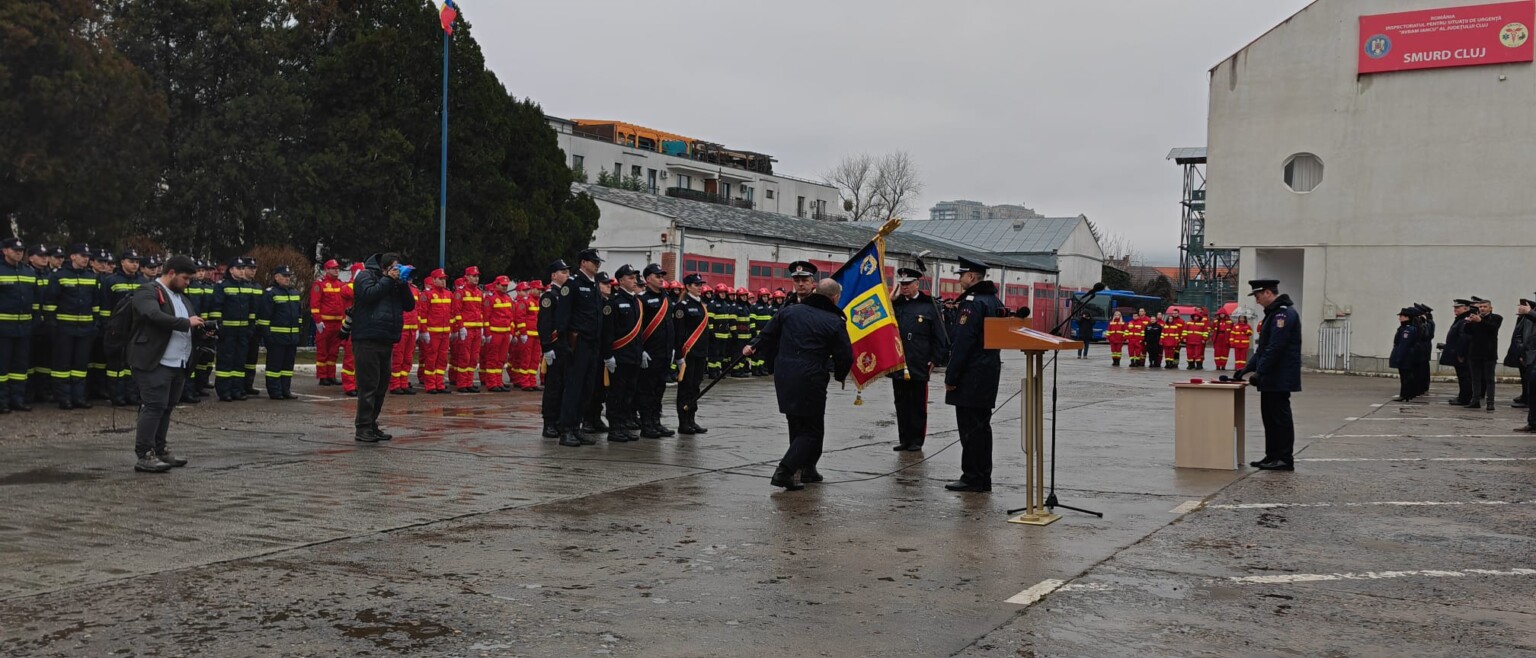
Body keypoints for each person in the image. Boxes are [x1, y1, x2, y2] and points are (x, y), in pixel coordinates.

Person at [744, 278, 853, 491]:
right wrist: (840, 375)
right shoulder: (834, 321)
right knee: (812, 430)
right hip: (811, 377)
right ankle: (785, 471)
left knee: (797, 423)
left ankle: (806, 468)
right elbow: (845, 355)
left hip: (784, 375)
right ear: (835, 298)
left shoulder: (790, 311)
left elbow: (767, 334)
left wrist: (753, 347)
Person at [126, 255, 205, 473]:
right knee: (154, 406)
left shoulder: (181, 297)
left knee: (167, 407)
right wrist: (186, 323)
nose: (188, 283)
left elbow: (189, 322)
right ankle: (144, 454)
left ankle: (160, 449)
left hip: (178, 362)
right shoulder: (148, 291)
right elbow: (153, 315)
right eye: (185, 278)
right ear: (171, 273)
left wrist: (201, 329)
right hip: (154, 361)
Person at [943, 256, 1005, 492]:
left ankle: (972, 477)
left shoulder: (973, 303)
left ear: (971, 276)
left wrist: (951, 377)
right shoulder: (994, 300)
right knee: (981, 428)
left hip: (971, 375)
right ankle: (981, 476)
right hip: (988, 372)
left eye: (961, 275)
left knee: (971, 430)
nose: (959, 280)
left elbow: (962, 343)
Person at [348, 253, 415, 442]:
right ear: (384, 268)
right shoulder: (365, 276)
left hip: (386, 339)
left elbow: (409, 305)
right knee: (368, 386)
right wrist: (388, 279)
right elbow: (369, 295)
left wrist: (402, 284)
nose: (397, 270)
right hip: (367, 338)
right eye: (394, 267)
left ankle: (372, 424)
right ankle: (362, 427)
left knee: (380, 386)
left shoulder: (394, 283)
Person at [1236, 279, 1302, 471]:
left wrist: (1260, 371)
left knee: (1279, 418)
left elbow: (1276, 347)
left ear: (1267, 292)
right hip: (1271, 376)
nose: (1256, 300)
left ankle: (1284, 458)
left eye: (1257, 296)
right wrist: (1247, 369)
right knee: (1269, 418)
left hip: (1280, 375)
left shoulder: (1283, 314)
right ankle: (1272, 455)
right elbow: (1262, 348)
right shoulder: (1272, 313)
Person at [889, 267, 948, 452]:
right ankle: (904, 439)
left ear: (917, 284)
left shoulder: (929, 306)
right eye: (902, 284)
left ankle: (916, 440)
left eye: (908, 284)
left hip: (919, 361)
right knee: (901, 403)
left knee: (917, 404)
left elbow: (939, 336)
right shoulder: (896, 305)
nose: (904, 287)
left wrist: (935, 359)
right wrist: (890, 302)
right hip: (900, 361)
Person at [553, 249, 605, 447]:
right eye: (593, 261)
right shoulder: (573, 284)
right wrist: (564, 344)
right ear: (583, 262)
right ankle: (566, 429)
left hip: (593, 343)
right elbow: (563, 316)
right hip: (578, 343)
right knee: (574, 387)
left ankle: (577, 426)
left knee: (587, 388)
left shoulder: (594, 284)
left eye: (598, 262)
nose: (597, 265)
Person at [46, 243, 100, 410]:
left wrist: (95, 323)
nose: (86, 259)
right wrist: (52, 325)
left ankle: (79, 397)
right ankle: (64, 398)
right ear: (73, 256)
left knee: (80, 365)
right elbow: (50, 303)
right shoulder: (59, 275)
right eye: (83, 256)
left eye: (87, 256)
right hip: (64, 328)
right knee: (62, 365)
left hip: (85, 328)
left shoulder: (91, 277)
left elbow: (95, 304)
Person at [604, 265, 645, 442]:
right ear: (621, 281)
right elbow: (607, 332)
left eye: (635, 278)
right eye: (630, 278)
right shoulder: (613, 302)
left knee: (629, 394)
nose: (634, 281)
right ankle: (614, 428)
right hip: (619, 356)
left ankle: (623, 425)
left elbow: (639, 331)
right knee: (616, 394)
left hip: (634, 356)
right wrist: (608, 355)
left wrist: (641, 351)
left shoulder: (636, 301)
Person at [211, 257, 260, 402]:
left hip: (243, 331)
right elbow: (216, 308)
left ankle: (237, 390)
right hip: (228, 331)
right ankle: (224, 391)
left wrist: (251, 326)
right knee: (226, 361)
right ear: (231, 270)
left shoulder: (247, 286)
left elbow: (251, 309)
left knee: (240, 361)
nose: (242, 271)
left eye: (243, 268)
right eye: (239, 268)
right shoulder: (222, 286)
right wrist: (219, 326)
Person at [101, 249, 147, 406]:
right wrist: (107, 327)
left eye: (137, 262)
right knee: (116, 365)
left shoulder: (143, 282)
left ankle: (132, 394)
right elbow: (105, 306)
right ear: (122, 262)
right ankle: (117, 395)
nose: (135, 264)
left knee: (132, 363)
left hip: (137, 328)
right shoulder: (111, 281)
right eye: (131, 261)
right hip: (117, 329)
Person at [0, 237, 39, 414]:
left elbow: (35, 300)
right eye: (15, 250)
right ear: (5, 251)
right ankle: (2, 401)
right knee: (2, 367)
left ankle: (17, 399)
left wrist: (35, 321)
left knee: (20, 367)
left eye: (21, 250)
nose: (18, 253)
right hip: (3, 328)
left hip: (24, 327)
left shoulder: (29, 272)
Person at [636, 264, 675, 438]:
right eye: (657, 276)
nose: (661, 279)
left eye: (662, 276)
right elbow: (637, 327)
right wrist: (641, 350)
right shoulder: (642, 299)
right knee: (647, 390)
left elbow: (670, 326)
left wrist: (672, 349)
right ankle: (646, 424)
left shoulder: (666, 298)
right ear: (647, 279)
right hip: (650, 353)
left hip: (664, 352)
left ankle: (656, 421)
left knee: (659, 390)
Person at [673, 273, 712, 435]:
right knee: (685, 388)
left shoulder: (701, 305)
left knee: (695, 387)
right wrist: (679, 356)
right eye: (696, 285)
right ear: (688, 287)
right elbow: (679, 333)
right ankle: (683, 422)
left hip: (700, 353)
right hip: (688, 354)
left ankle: (691, 419)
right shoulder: (682, 306)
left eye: (701, 284)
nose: (700, 287)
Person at [258, 265, 303, 400]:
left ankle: (285, 390)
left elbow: (299, 315)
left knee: (287, 367)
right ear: (276, 277)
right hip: (276, 338)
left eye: (289, 276)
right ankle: (275, 391)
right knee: (274, 367)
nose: (287, 278)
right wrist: (268, 337)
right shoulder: (270, 293)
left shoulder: (294, 293)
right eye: (284, 276)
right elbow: (264, 318)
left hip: (291, 338)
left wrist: (298, 333)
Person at [537, 261, 570, 438]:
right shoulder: (549, 296)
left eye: (568, 272)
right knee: (553, 387)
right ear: (554, 275)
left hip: (565, 347)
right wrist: (547, 347)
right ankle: (549, 422)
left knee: (564, 386)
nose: (567, 275)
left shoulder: (565, 294)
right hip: (554, 347)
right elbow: (544, 324)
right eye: (563, 272)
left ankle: (559, 420)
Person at [181, 260, 216, 403]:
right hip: (183, 325)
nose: (201, 273)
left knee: (195, 360)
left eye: (203, 270)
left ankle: (192, 389)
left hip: (197, 325)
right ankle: (185, 390)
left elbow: (204, 308)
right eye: (198, 270)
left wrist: (204, 327)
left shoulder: (200, 287)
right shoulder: (182, 286)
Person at [417, 269, 456, 394]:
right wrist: (424, 331)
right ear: (433, 280)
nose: (443, 281)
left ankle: (439, 384)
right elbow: (422, 315)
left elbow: (451, 313)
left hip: (445, 333)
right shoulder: (427, 295)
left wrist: (452, 330)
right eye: (440, 279)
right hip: (432, 333)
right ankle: (430, 385)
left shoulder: (448, 294)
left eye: (444, 279)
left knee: (442, 359)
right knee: (431, 359)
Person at [310, 259, 347, 385]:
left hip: (338, 323)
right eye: (333, 268)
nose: (336, 270)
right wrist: (318, 321)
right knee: (323, 351)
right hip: (325, 324)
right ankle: (322, 376)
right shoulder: (320, 284)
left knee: (334, 352)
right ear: (326, 270)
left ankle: (331, 375)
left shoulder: (340, 284)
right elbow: (315, 304)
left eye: (337, 268)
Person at [1463, 297, 1502, 411]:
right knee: (1475, 379)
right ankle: (1475, 401)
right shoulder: (1475, 318)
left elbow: (1493, 329)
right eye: (1480, 307)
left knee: (1489, 379)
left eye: (1485, 306)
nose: (1482, 309)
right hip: (1475, 353)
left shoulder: (1496, 318)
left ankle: (1490, 402)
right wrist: (1468, 322)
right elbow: (1467, 332)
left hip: (1489, 354)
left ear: (1490, 308)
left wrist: (1480, 321)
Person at [452, 265, 485, 393]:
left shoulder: (479, 292)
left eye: (477, 276)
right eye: (473, 276)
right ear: (467, 277)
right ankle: (462, 383)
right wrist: (461, 327)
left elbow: (481, 311)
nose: (476, 278)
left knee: (474, 358)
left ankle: (469, 382)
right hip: (467, 330)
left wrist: (482, 328)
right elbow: (457, 311)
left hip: (477, 329)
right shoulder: (460, 292)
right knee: (464, 357)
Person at [389, 272, 422, 395]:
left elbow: (418, 310)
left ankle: (403, 383)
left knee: (408, 358)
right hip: (401, 329)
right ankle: (395, 384)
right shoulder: (397, 289)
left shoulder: (415, 290)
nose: (410, 278)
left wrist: (418, 327)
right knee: (397, 358)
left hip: (412, 329)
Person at [481, 276, 515, 392]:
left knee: (501, 359)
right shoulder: (490, 299)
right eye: (502, 285)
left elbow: (511, 317)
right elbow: (486, 317)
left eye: (506, 285)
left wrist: (511, 332)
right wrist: (487, 333)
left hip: (505, 333)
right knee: (492, 358)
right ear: (496, 285)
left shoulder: (508, 298)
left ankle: (499, 381)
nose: (505, 287)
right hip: (495, 333)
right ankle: (492, 383)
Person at [1439, 299, 1474, 406]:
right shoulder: (1460, 319)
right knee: (1462, 376)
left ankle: (1464, 398)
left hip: (1461, 355)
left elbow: (1464, 338)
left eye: (1458, 307)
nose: (1455, 309)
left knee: (1464, 377)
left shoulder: (1464, 320)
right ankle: (1462, 396)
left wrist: (1460, 354)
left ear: (1466, 308)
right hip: (1458, 353)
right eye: (1455, 307)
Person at [1513, 299, 1536, 432]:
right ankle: (1532, 422)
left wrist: (1529, 313)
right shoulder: (1530, 313)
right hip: (1530, 357)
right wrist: (1522, 350)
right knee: (1532, 390)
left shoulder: (1530, 313)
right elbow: (1519, 333)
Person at [1390, 307, 1421, 403]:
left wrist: (1399, 357)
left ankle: (1405, 394)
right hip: (1407, 356)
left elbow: (1404, 345)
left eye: (1402, 316)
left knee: (1405, 377)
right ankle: (1406, 394)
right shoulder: (1406, 328)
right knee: (1405, 376)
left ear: (1407, 317)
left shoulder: (1407, 330)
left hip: (1405, 357)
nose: (1400, 318)